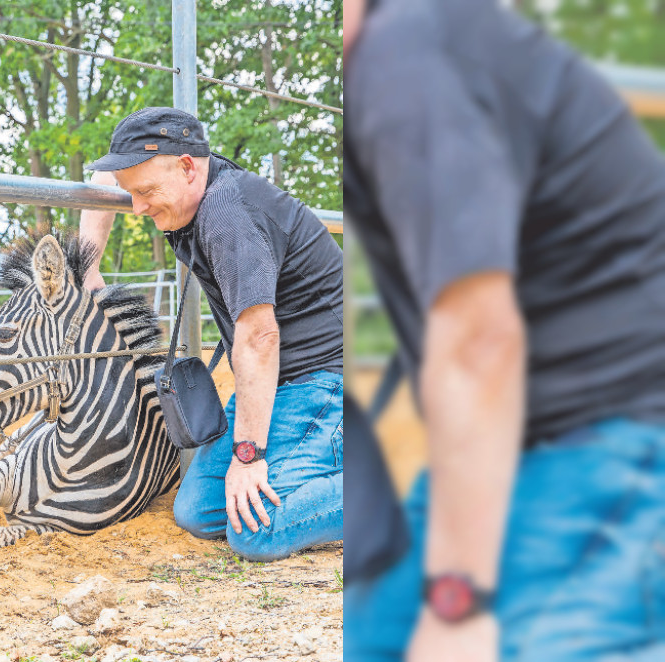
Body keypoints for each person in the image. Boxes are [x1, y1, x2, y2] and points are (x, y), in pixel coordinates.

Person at [343, 0, 665, 660]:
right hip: (534, 435)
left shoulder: (403, 54)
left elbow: (478, 340)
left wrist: (458, 603)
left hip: (620, 435)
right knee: (371, 637)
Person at [79, 107, 344, 561]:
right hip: (276, 382)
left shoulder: (226, 214)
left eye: (145, 193)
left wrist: (248, 456)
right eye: (131, 194)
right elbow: (105, 177)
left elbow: (260, 339)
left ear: (186, 167)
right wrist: (89, 266)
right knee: (199, 511)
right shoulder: (192, 184)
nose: (137, 208)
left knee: (258, 532)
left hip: (328, 378)